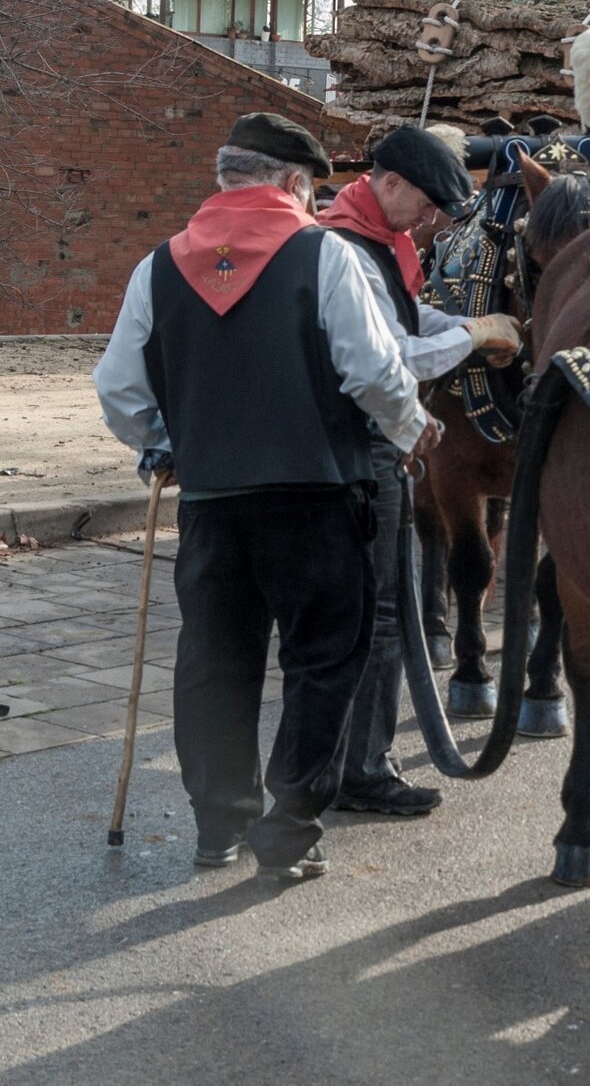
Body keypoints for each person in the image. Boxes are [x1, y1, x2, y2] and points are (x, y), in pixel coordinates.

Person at [94, 112, 440, 881]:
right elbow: (375, 372)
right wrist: (413, 427)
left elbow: (117, 388)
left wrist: (165, 444)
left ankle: (219, 825)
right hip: (318, 492)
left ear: (225, 177)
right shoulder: (325, 253)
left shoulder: (159, 266)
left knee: (216, 658)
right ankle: (287, 829)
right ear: (292, 182)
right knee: (324, 658)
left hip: (213, 501)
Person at [318, 125, 522, 816]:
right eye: (427, 205)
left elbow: (408, 315)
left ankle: (339, 762)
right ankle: (363, 769)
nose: (430, 222)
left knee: (363, 612)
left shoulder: (376, 241)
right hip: (359, 446)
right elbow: (391, 356)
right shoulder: (345, 247)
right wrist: (470, 336)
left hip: (357, 444)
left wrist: (464, 324)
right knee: (377, 616)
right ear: (390, 183)